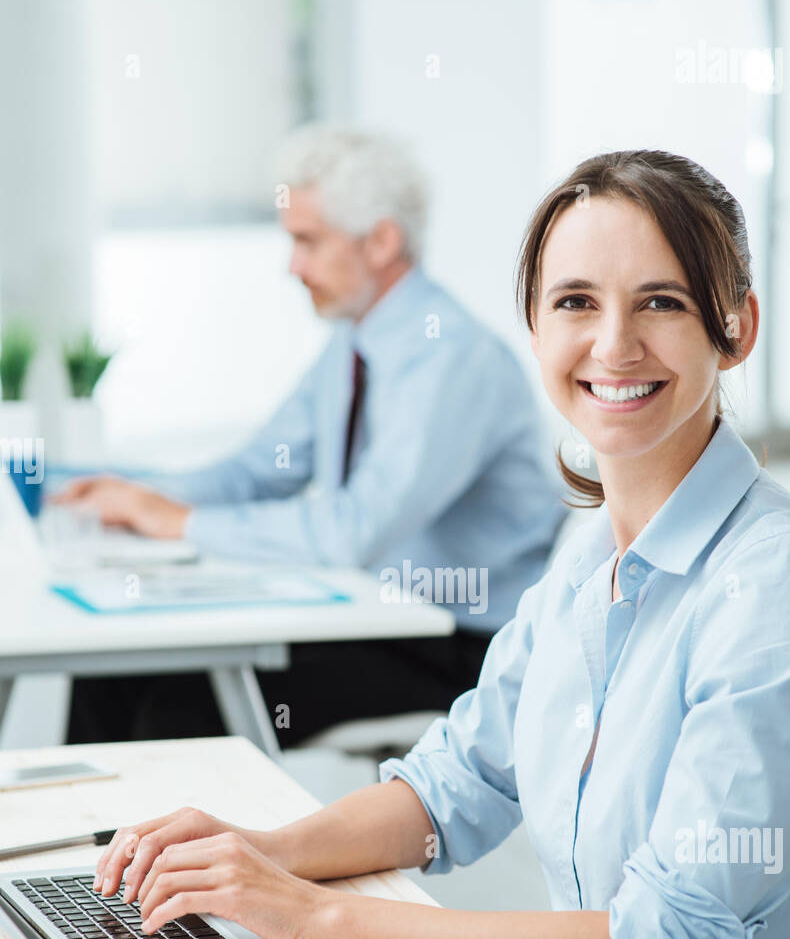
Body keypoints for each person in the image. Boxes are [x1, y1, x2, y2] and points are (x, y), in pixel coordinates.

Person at [91, 149, 790, 939]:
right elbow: (453, 783)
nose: (613, 343)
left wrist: (318, 916)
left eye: (663, 303)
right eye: (575, 302)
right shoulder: (587, 556)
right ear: (537, 329)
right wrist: (259, 854)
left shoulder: (780, 583)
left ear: (737, 327)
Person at [60, 125, 560, 747]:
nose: (291, 267)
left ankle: (180, 848)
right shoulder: (354, 341)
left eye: (308, 242)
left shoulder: (455, 361)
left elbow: (353, 531)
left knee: (183, 710)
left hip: (453, 644)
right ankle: (86, 846)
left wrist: (176, 521)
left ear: (381, 241)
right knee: (113, 671)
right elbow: (256, 471)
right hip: (364, 614)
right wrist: (131, 493)